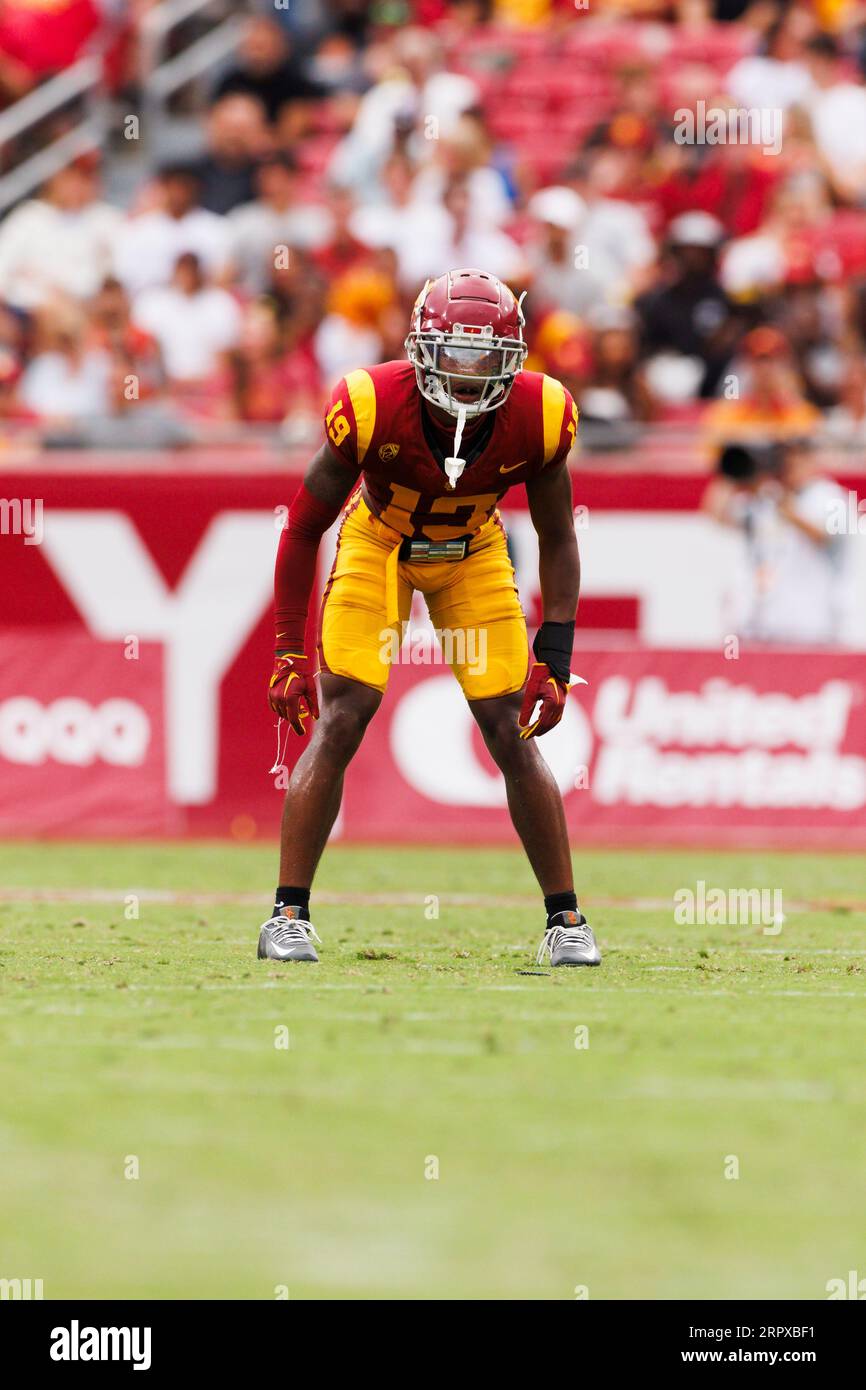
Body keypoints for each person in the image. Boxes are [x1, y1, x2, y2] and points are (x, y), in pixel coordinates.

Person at [259, 268, 600, 969]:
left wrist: (556, 657)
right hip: (379, 541)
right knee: (344, 712)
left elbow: (559, 536)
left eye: (486, 359)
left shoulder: (540, 414)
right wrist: (288, 650)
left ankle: (566, 920)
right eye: (455, 354)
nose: (469, 376)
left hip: (472, 550)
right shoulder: (370, 402)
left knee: (509, 725)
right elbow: (301, 528)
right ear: (420, 348)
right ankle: (287, 914)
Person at [701, 439, 852, 645]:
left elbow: (823, 535)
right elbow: (717, 515)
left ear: (811, 459)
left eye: (794, 459)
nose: (787, 466)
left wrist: (782, 504)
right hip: (762, 620)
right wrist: (733, 472)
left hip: (810, 622)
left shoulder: (828, 495)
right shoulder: (764, 498)